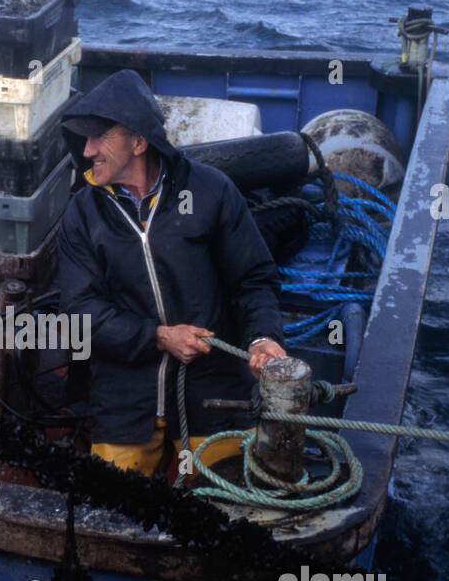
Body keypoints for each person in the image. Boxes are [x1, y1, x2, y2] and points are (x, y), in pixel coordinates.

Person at [57, 69, 286, 477]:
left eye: (100, 137)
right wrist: (159, 337)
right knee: (110, 502)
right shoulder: (82, 212)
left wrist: (263, 338)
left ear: (138, 142)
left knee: (225, 498)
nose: (88, 150)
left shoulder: (212, 191)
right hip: (126, 392)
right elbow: (79, 311)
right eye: (85, 139)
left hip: (213, 386)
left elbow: (253, 280)